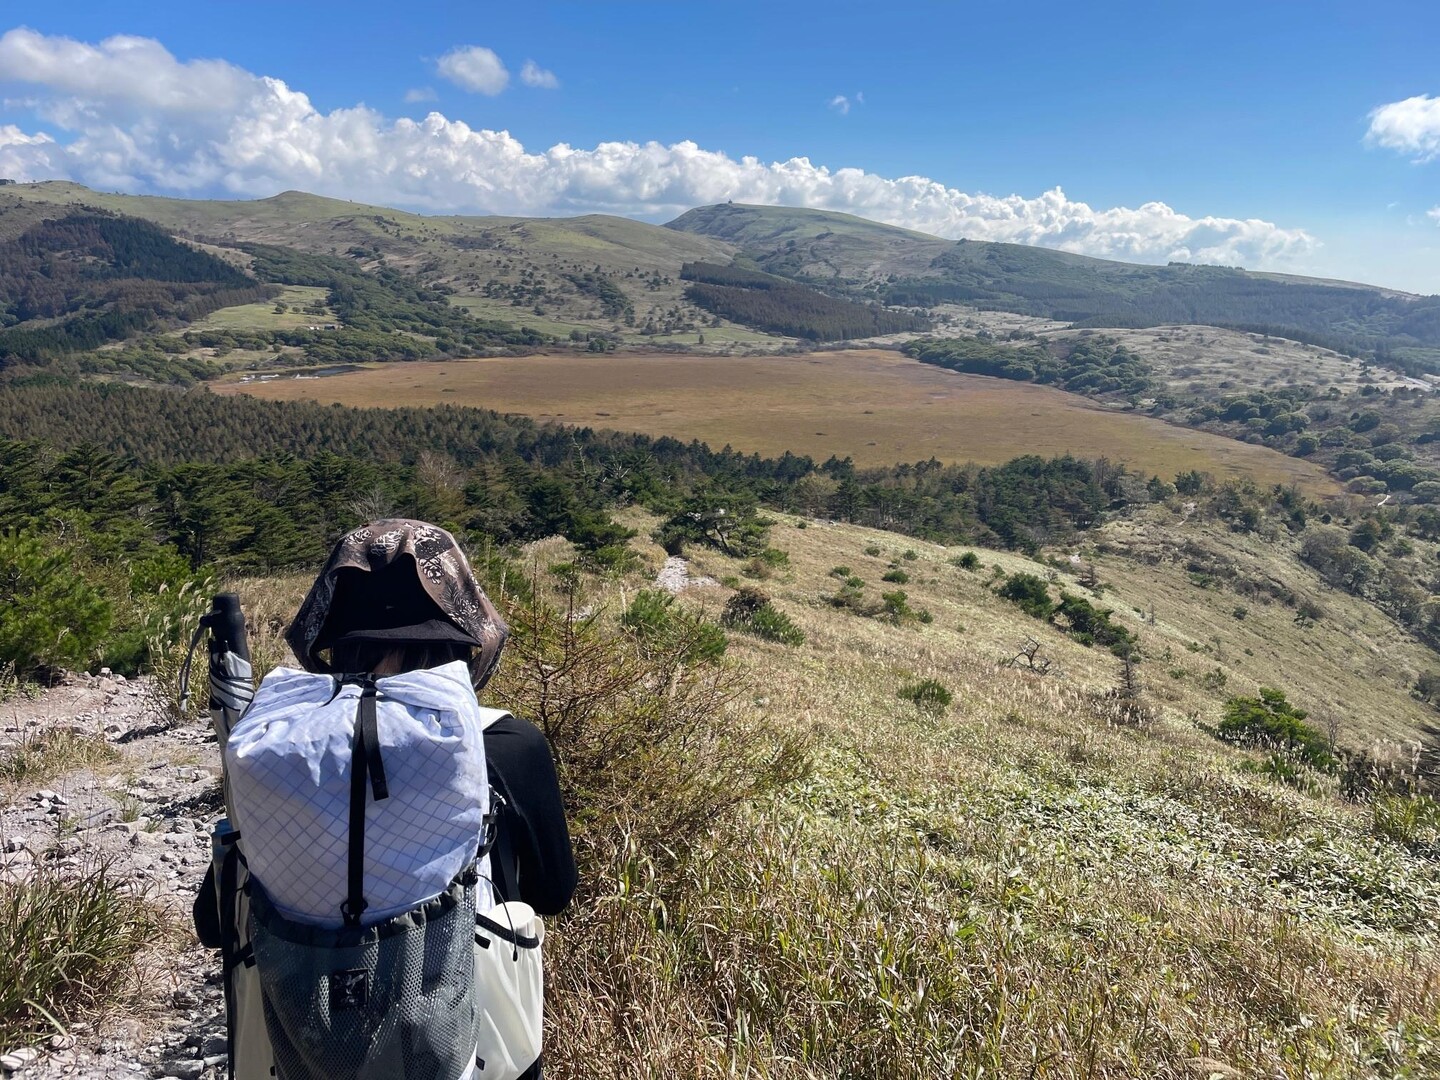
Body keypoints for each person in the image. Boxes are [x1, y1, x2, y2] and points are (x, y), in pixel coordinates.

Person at [283, 518, 577, 1079]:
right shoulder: (509, 745)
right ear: (464, 636)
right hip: (465, 1046)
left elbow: (215, 920)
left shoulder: (283, 751)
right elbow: (554, 892)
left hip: (312, 1044)